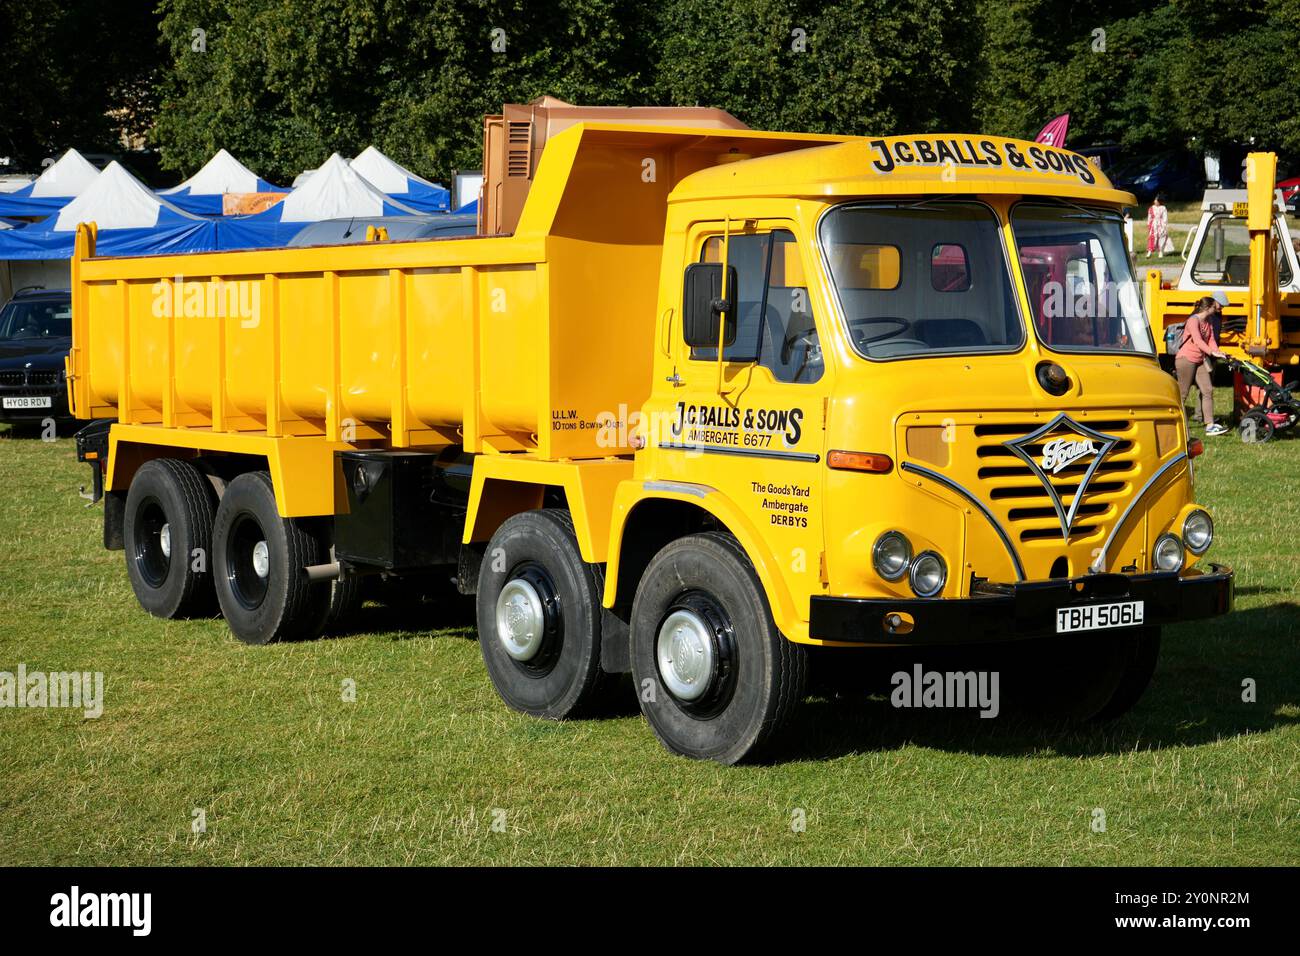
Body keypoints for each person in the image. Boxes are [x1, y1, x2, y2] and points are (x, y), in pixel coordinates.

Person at [1177, 295, 1227, 434]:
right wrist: (1211, 352)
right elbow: (1198, 341)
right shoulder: (1193, 320)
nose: (1217, 309)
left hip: (1199, 359)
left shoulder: (1209, 320)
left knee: (1208, 390)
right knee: (1183, 394)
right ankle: (1178, 423)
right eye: (1214, 307)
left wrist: (1217, 352)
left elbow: (1210, 339)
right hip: (1186, 359)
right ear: (1207, 308)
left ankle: (1210, 425)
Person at [1146, 194, 1169, 258]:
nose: (1155, 201)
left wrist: (1164, 225)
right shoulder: (1151, 208)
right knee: (1152, 237)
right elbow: (1149, 217)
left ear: (1159, 201)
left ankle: (1160, 252)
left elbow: (1165, 217)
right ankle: (1149, 252)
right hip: (1153, 225)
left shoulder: (1163, 208)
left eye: (1156, 200)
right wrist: (1149, 224)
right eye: (1155, 200)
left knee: (1161, 237)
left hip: (1161, 225)